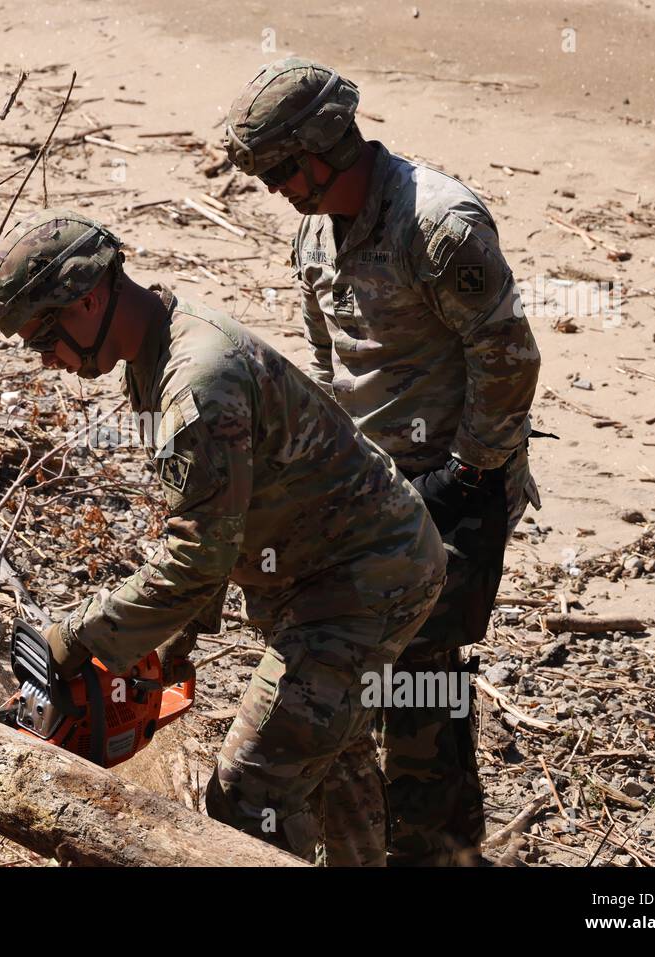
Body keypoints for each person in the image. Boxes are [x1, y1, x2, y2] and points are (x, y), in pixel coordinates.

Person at [0, 207, 446, 865]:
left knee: (251, 786)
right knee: (326, 747)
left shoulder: (194, 382)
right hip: (333, 568)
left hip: (368, 578)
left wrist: (81, 636)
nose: (47, 360)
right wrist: (173, 640)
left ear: (88, 298)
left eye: (44, 338)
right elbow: (211, 515)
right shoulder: (155, 353)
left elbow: (201, 553)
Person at [223, 57, 543, 866]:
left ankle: (441, 856)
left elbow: (508, 358)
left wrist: (468, 478)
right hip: (369, 491)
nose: (277, 189)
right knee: (343, 686)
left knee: (422, 694)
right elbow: (329, 364)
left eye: (283, 170)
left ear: (327, 144)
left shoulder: (438, 224)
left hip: (457, 487)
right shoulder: (313, 230)